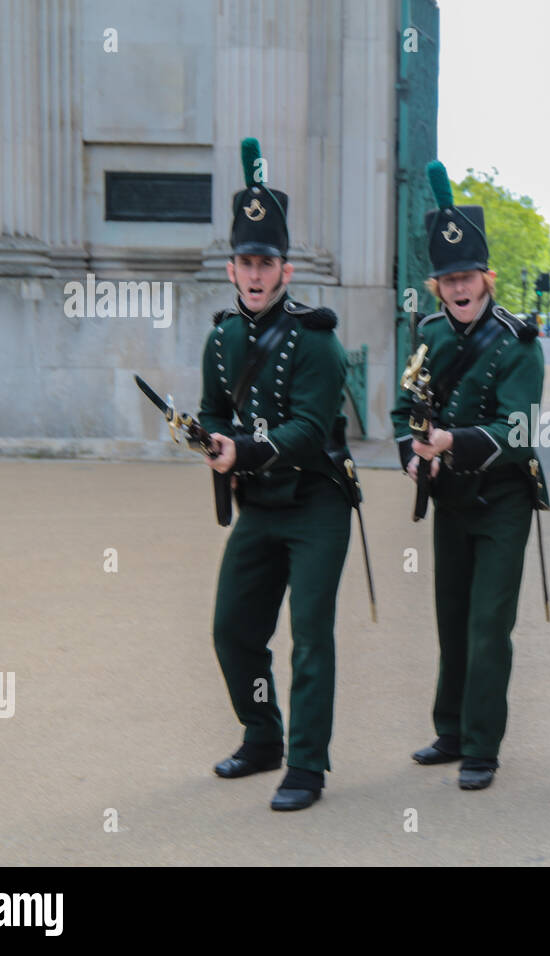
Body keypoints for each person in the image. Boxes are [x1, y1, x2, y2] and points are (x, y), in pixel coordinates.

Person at [197, 138, 354, 811]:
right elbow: (212, 408)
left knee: (311, 637)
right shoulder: (222, 336)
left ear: (285, 269)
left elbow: (309, 432)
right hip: (260, 505)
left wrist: (243, 450)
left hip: (317, 503)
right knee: (234, 629)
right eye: (245, 262)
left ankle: (308, 767)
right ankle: (263, 737)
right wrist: (206, 437)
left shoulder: (318, 340)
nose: (255, 274)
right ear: (231, 270)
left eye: (266, 262)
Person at [391, 160, 547, 791]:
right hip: (451, 498)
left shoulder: (518, 342)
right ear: (437, 287)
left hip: (504, 498)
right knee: (451, 617)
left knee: (488, 625)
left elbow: (519, 432)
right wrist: (409, 452)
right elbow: (406, 410)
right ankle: (450, 730)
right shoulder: (426, 334)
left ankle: (483, 744)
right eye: (447, 278)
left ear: (487, 277)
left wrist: (450, 440)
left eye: (467, 275)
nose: (458, 287)